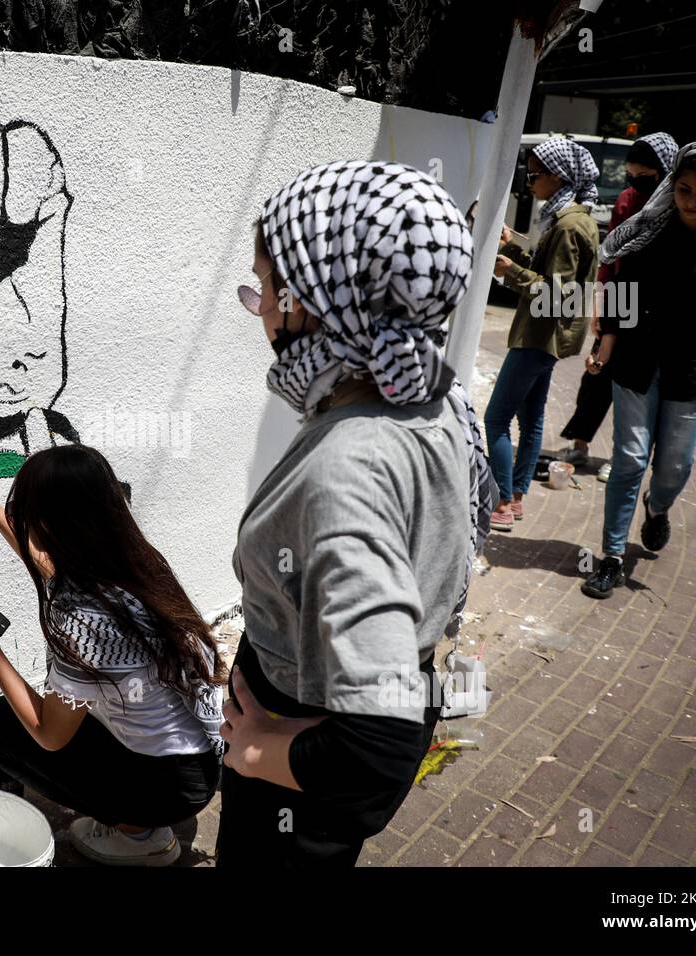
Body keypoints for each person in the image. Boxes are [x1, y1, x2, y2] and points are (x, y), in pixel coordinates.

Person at [217, 161, 494, 866]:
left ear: (314, 299)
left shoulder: (349, 469)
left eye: (267, 290)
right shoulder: (426, 394)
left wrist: (254, 750)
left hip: (296, 768)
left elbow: (376, 752)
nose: (263, 312)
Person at [0, 445, 225, 867]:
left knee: (5, 726)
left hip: (167, 788)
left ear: (46, 525)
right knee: (64, 711)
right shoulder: (137, 564)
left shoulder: (81, 623)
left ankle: (141, 835)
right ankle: (144, 814)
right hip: (202, 759)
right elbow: (61, 574)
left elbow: (48, 733)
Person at [581, 137, 696, 598]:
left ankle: (657, 508)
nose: (691, 202)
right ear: (672, 185)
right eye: (683, 190)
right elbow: (626, 287)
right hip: (639, 361)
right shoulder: (653, 224)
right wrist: (605, 345)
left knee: (674, 467)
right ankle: (612, 556)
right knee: (628, 459)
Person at [486, 139, 600, 530]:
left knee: (495, 420)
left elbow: (555, 291)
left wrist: (509, 270)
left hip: (539, 336)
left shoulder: (568, 226)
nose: (529, 182)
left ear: (559, 176)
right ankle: (516, 498)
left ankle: (500, 502)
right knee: (531, 421)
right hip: (549, 337)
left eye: (534, 175)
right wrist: (513, 254)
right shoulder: (573, 219)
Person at [557, 133, 679, 483]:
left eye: (643, 175)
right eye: (631, 172)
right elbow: (610, 257)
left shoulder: (674, 205)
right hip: (621, 298)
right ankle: (579, 444)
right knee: (596, 376)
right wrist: (601, 306)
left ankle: (619, 456)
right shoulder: (627, 199)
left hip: (655, 308)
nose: (635, 180)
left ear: (662, 173)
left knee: (635, 385)